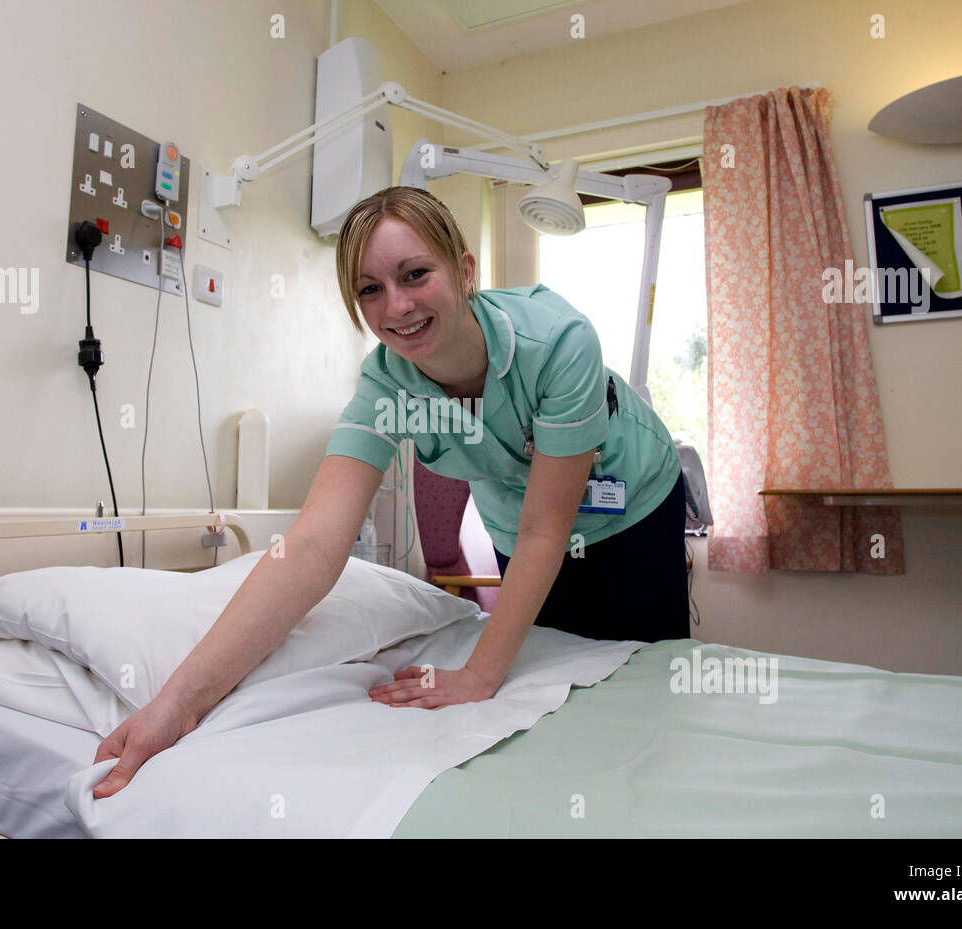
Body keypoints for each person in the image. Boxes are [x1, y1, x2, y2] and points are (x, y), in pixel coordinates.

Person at [91, 186, 688, 799]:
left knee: (647, 688)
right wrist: (178, 705)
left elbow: (549, 529)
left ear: (464, 268)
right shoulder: (385, 387)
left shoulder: (558, 342)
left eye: (415, 274)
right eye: (370, 289)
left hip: (633, 503)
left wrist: (479, 675)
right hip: (521, 523)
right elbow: (314, 546)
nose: (396, 307)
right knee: (561, 683)